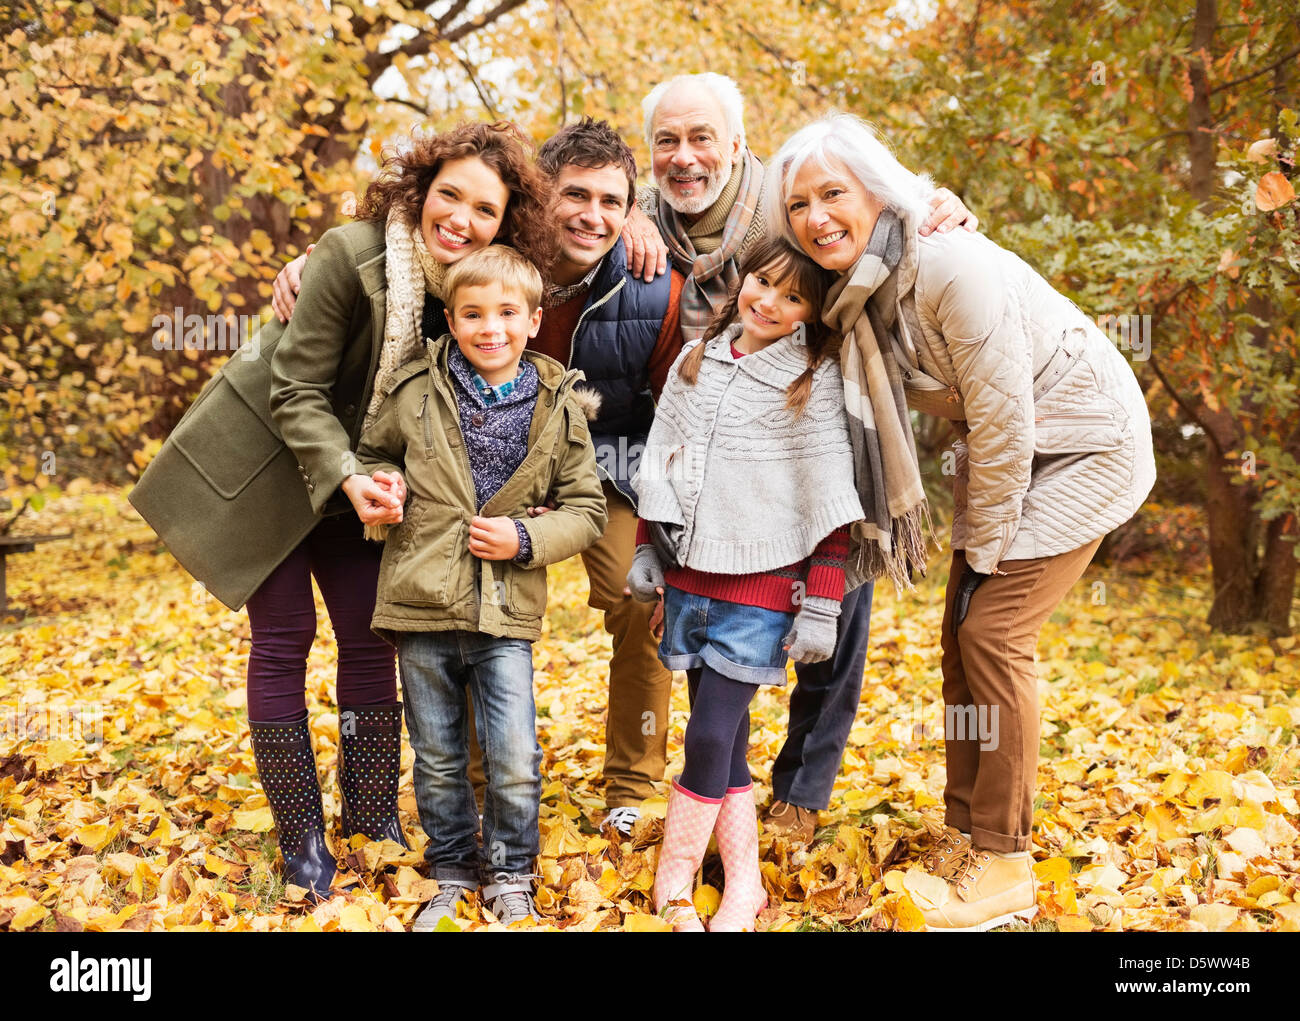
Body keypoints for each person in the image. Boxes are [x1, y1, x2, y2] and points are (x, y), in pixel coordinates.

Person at [129, 121, 556, 899]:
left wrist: (379, 479)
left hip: (369, 483)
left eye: (484, 210)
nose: (460, 218)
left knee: (369, 639)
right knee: (284, 637)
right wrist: (348, 472)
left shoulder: (474, 290)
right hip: (272, 462)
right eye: (448, 194)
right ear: (421, 190)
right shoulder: (350, 253)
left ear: (505, 223)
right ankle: (301, 839)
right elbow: (295, 389)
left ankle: (373, 821)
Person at [765, 113, 1156, 930]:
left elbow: (1005, 415)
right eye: (798, 203)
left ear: (878, 189)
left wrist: (985, 543)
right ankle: (966, 830)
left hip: (1086, 447)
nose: (816, 216)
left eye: (834, 192)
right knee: (958, 635)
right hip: (1014, 456)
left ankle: (1007, 861)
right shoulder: (851, 286)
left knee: (992, 635)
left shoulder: (950, 267)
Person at [637, 73, 978, 842]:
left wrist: (934, 203)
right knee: (720, 660)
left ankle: (802, 791)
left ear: (736, 144)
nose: (684, 157)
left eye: (701, 139)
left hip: (822, 423)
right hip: (713, 470)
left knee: (830, 618)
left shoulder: (785, 204)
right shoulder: (641, 217)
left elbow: (869, 206)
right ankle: (724, 800)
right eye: (667, 142)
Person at [353, 244, 606, 928]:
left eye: (505, 313)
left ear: (532, 321)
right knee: (436, 756)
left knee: (514, 755)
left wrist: (525, 540)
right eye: (472, 314)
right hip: (421, 603)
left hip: (504, 612)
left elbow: (586, 509)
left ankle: (512, 870)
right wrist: (385, 483)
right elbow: (374, 454)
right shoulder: (414, 390)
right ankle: (453, 867)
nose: (489, 327)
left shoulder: (556, 405)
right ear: (450, 319)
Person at [627, 235, 865, 931]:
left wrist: (821, 603)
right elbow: (663, 459)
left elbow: (828, 499)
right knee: (725, 743)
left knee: (705, 737)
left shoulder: (812, 380)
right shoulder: (697, 359)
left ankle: (674, 883)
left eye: (793, 297)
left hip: (761, 589)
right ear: (745, 279)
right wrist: (648, 548)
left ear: (809, 313)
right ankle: (743, 883)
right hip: (689, 582)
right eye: (764, 282)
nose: (770, 301)